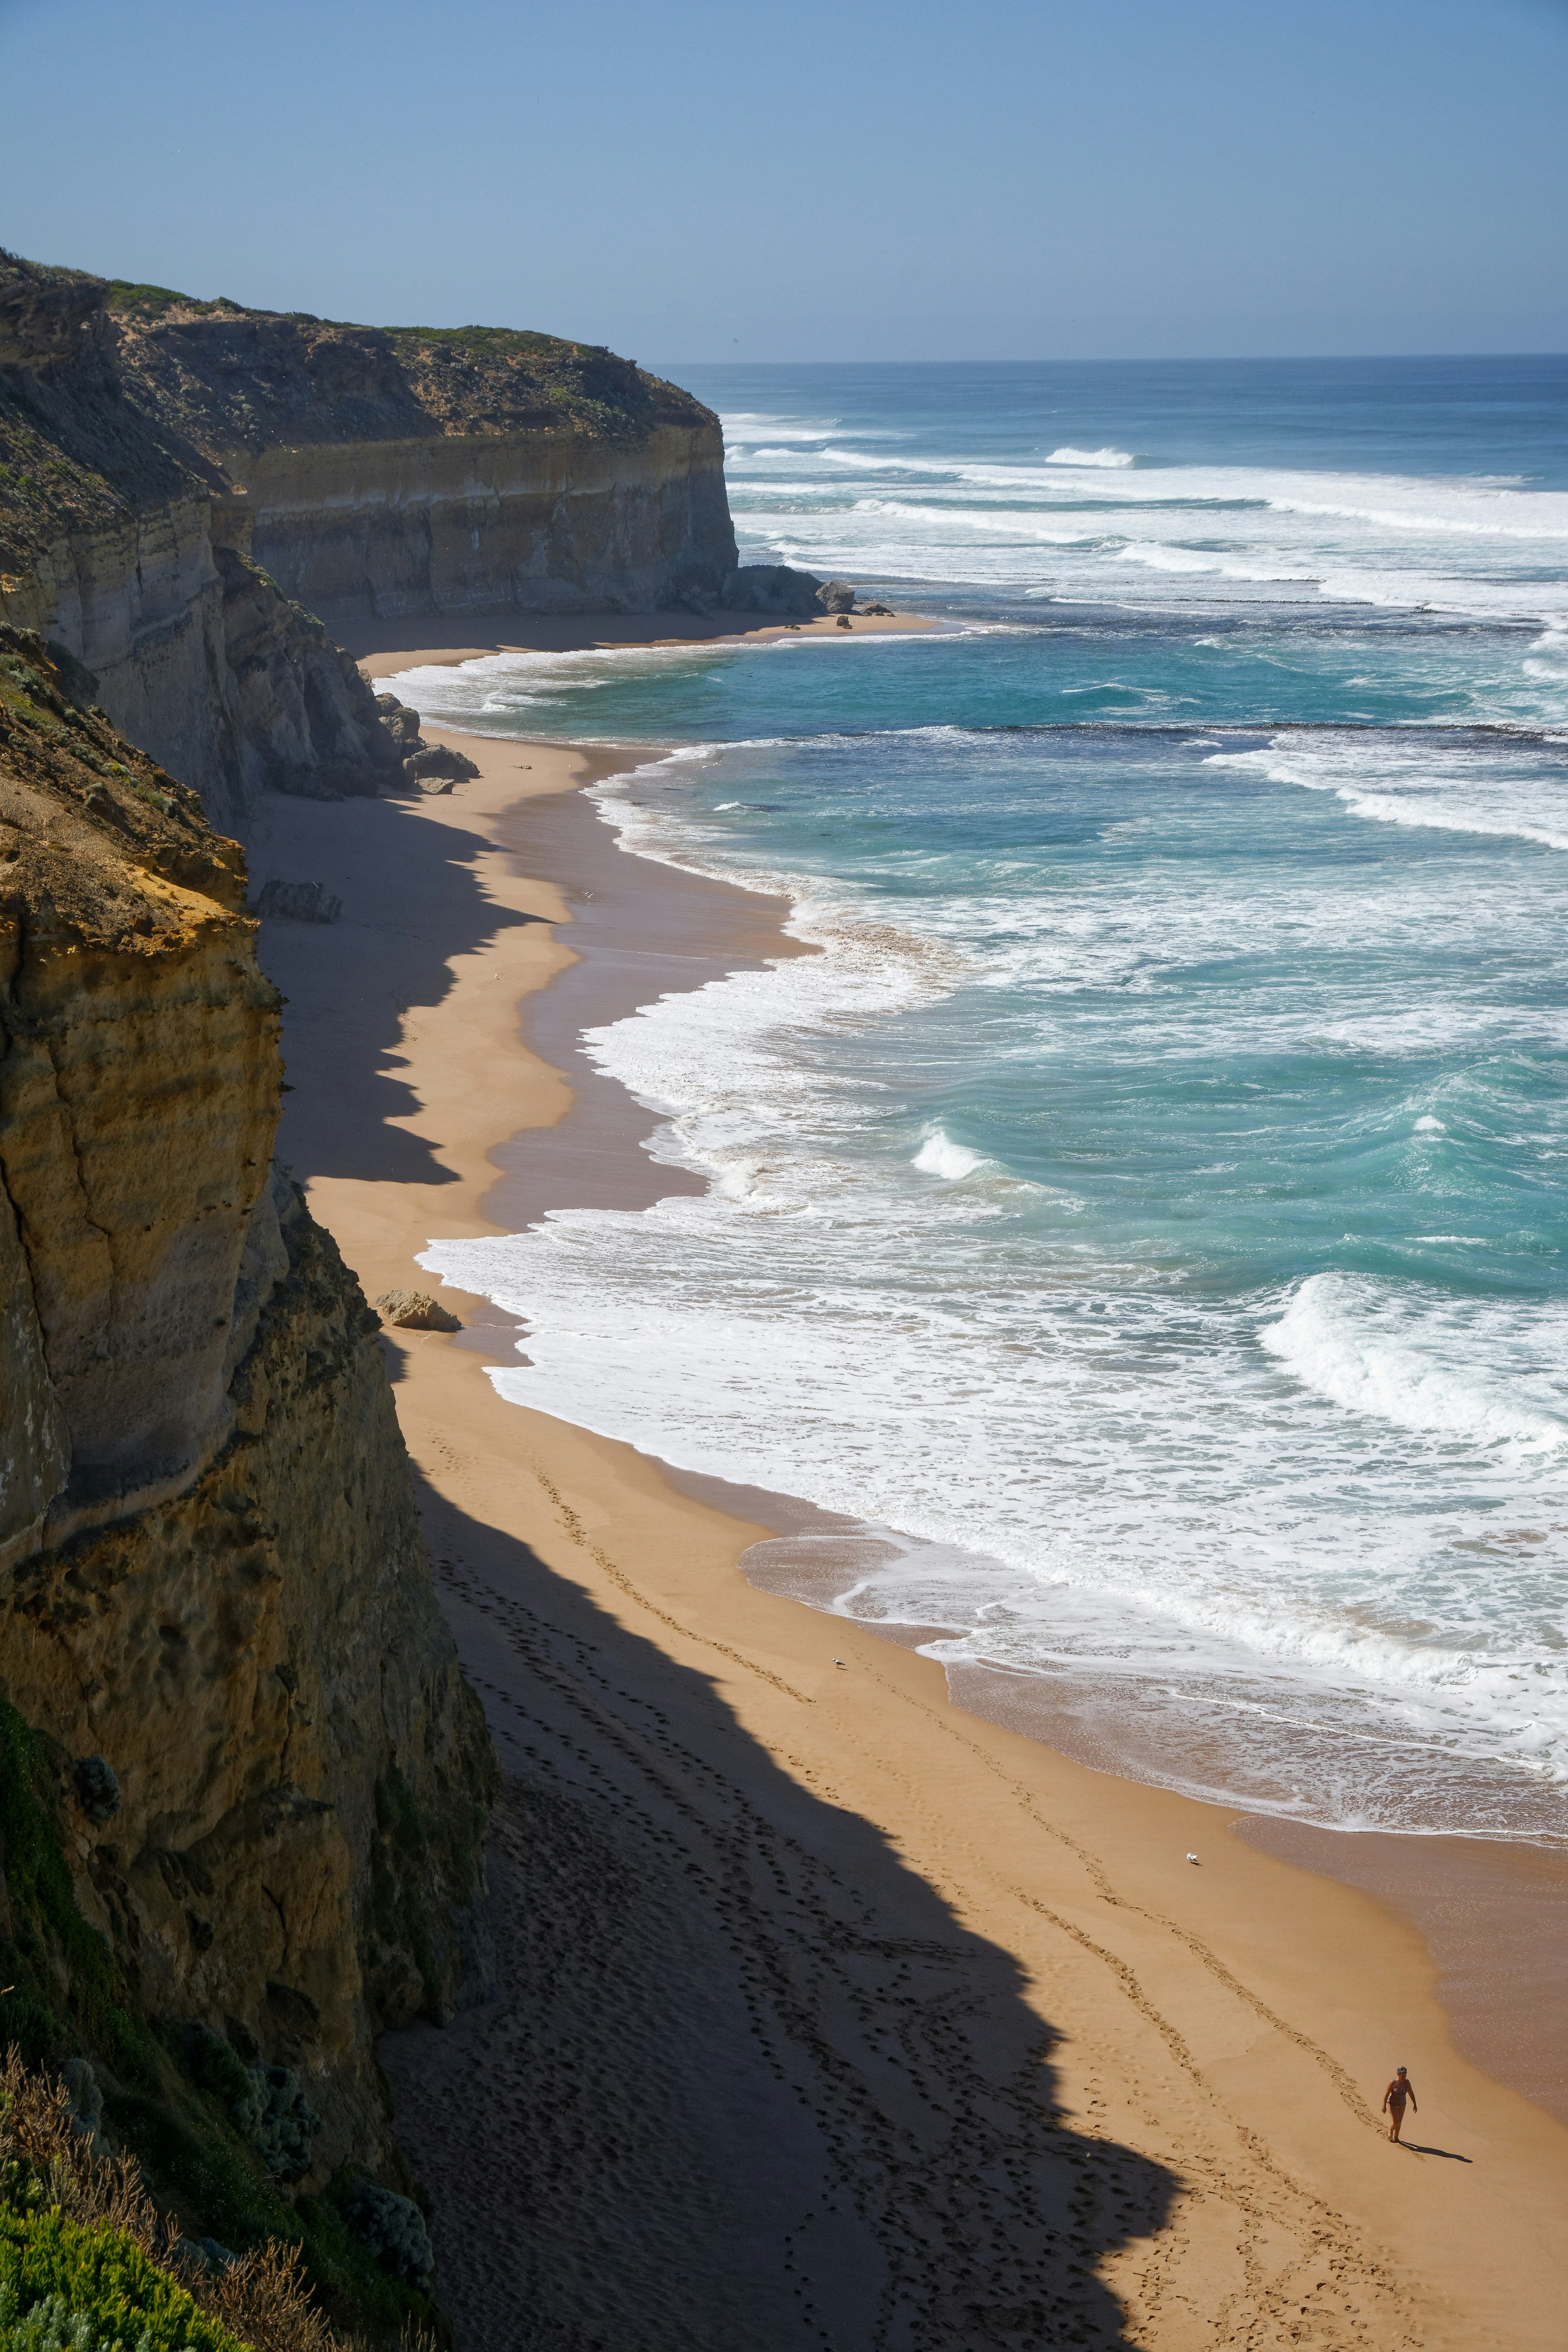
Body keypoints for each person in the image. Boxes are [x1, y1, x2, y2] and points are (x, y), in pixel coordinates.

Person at [1382, 2065, 1417, 2142]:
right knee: (1396, 2122)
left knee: (1400, 2122)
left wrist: (1415, 2104)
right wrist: (1384, 2106)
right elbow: (1387, 2094)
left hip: (1403, 2104)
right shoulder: (1393, 2083)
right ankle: (1390, 2133)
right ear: (1398, 2075)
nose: (1404, 2077)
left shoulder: (1407, 2082)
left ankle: (1396, 2137)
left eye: (1405, 2076)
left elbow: (1411, 2093)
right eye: (1402, 2076)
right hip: (1392, 2104)